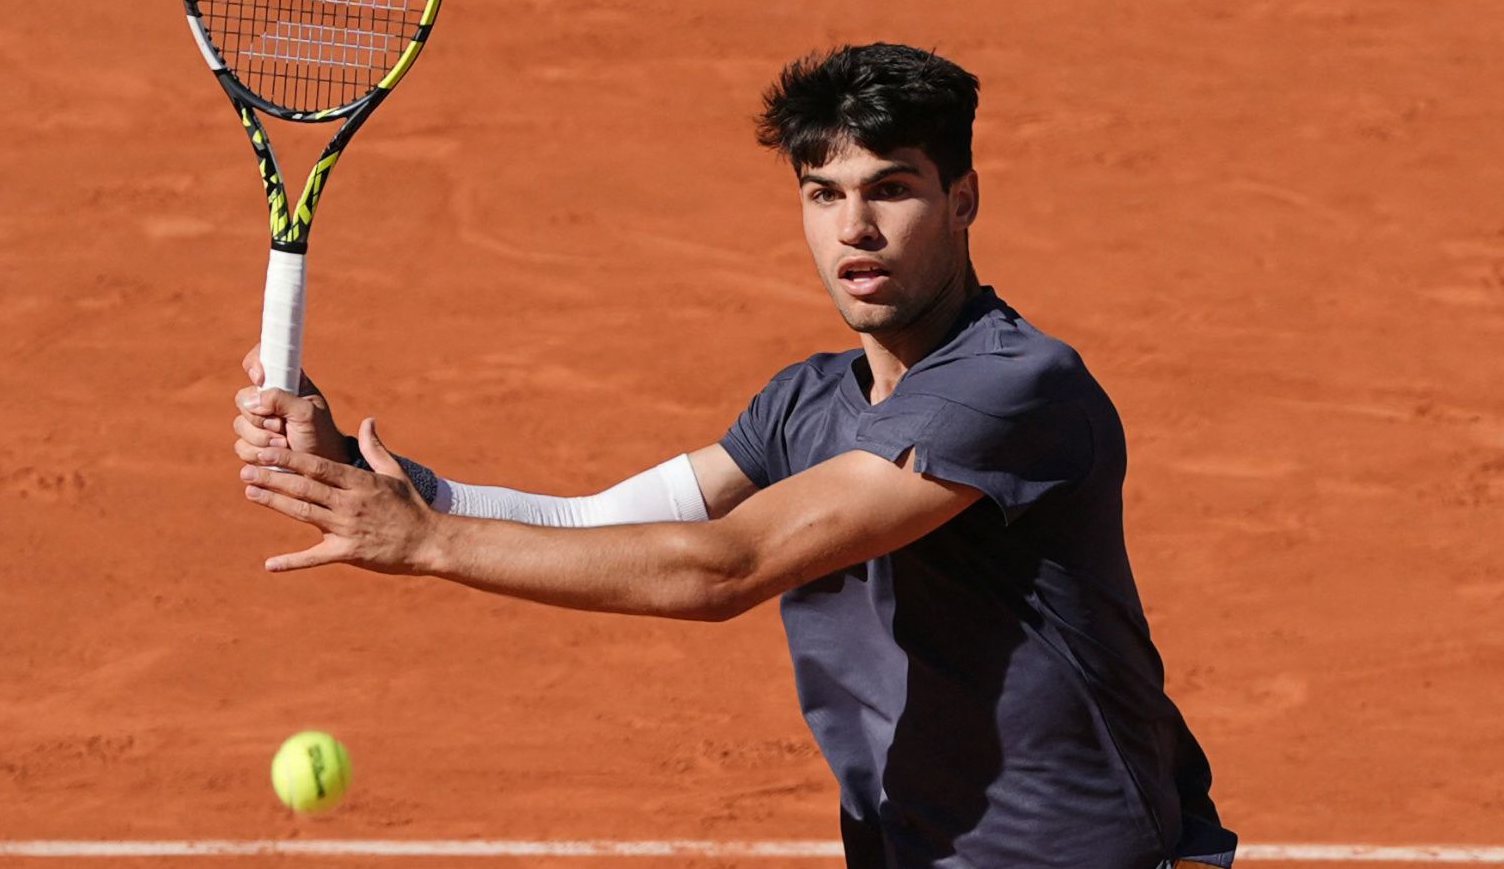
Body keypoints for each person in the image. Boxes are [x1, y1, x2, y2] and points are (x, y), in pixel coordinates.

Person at [230, 43, 1236, 869]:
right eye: (822, 193)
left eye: (892, 190)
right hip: (909, 847)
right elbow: (598, 521)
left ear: (963, 199)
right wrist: (394, 487)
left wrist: (427, 544)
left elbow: (725, 568)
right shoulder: (804, 400)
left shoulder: (1011, 387)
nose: (855, 230)